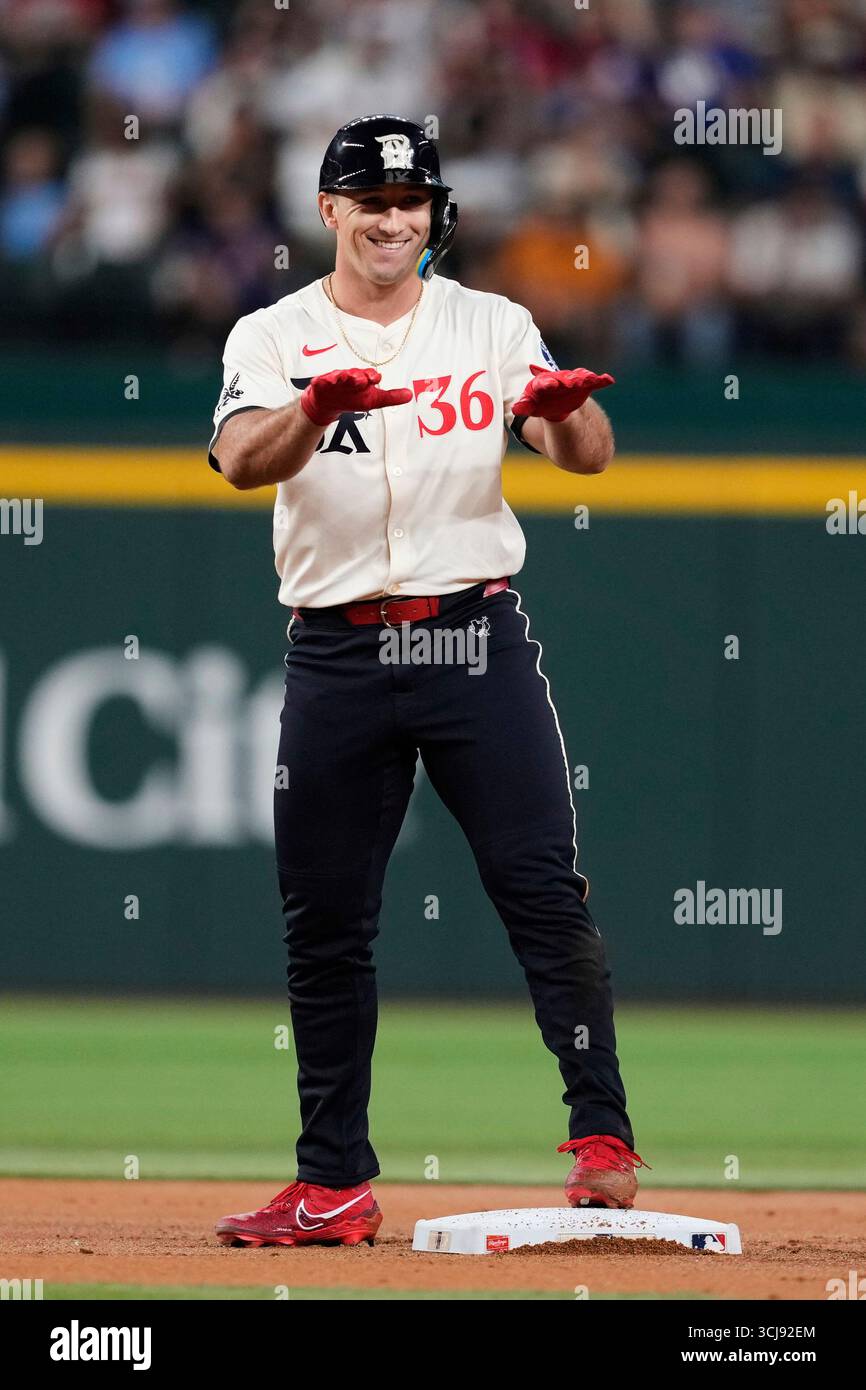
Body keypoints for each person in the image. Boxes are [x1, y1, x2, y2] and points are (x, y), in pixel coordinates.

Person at [209, 115, 647, 1248]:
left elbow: (586, 451)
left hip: (470, 636)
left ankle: (600, 1138)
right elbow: (238, 462)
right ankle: (332, 1182)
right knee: (325, 923)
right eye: (371, 200)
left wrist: (563, 412)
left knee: (540, 887)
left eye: (411, 201)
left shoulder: (491, 323)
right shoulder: (272, 333)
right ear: (330, 212)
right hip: (339, 648)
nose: (393, 218)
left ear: (430, 212)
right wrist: (311, 408)